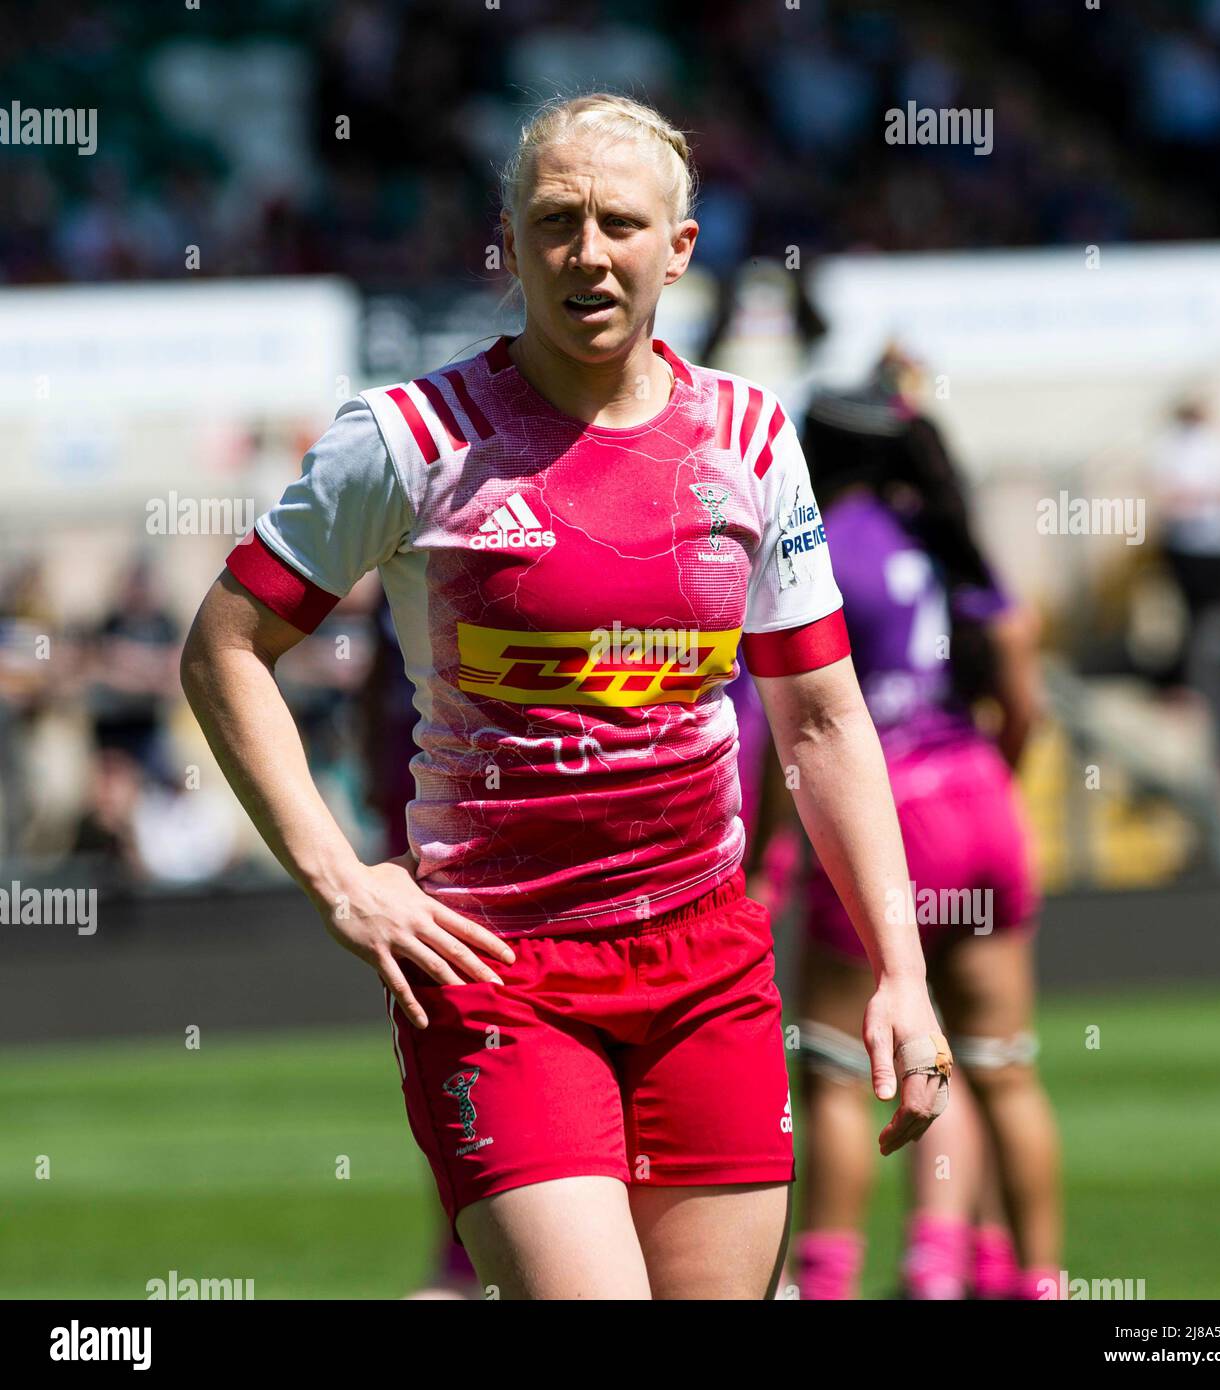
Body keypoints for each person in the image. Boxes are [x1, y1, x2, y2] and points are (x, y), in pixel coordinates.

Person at [180, 93, 949, 1300]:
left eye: (620, 223)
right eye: (554, 221)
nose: (586, 252)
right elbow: (224, 648)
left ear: (678, 248)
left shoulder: (747, 438)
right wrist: (344, 879)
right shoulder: (405, 439)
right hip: (498, 968)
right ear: (508, 239)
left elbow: (821, 718)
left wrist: (899, 970)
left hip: (708, 966)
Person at [784, 350, 1062, 1300]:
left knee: (831, 1066)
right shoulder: (939, 532)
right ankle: (1008, 1276)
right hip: (975, 795)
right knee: (996, 1065)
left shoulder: (806, 543)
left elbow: (796, 721)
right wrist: (997, 778)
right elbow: (1016, 653)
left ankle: (826, 1284)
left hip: (882, 815)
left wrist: (767, 851)